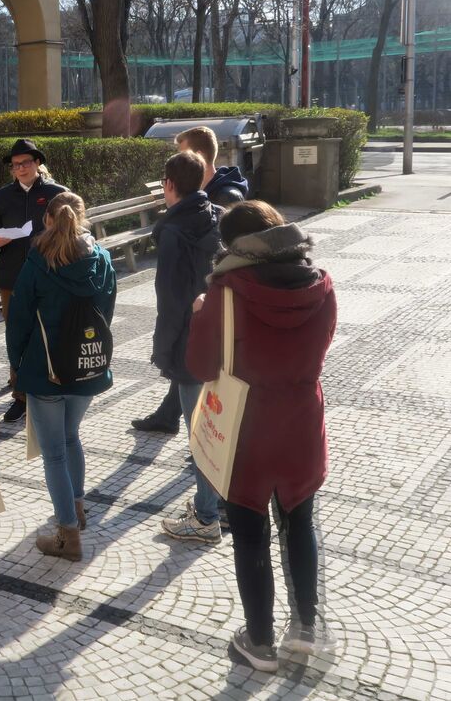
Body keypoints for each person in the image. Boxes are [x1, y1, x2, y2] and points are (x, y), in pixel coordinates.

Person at [186, 201, 336, 672]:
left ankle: (260, 641)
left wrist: (199, 315)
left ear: (234, 245)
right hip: (301, 420)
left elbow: (201, 366)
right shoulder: (321, 285)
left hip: (246, 427)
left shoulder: (226, 293)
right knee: (300, 520)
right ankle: (306, 629)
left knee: (250, 534)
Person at [6, 192, 116, 561]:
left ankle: (68, 535)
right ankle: (77, 509)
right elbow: (106, 311)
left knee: (53, 452)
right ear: (82, 218)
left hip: (46, 370)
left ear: (47, 220)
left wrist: (16, 364)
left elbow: (18, 319)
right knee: (71, 437)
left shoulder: (39, 260)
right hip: (87, 365)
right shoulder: (101, 259)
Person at [150, 152, 227, 545]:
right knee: (218, 429)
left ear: (168, 185)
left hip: (188, 344)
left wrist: (163, 351)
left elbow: (170, 301)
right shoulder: (218, 215)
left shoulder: (172, 231)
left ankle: (206, 516)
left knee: (200, 436)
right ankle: (216, 503)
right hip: (221, 336)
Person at [0, 138, 69, 422]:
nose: (20, 168)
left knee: (47, 332)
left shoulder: (57, 194)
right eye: (15, 165)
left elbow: (71, 231)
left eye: (26, 163)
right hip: (12, 278)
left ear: (37, 163)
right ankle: (20, 394)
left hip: (48, 276)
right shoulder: (2, 196)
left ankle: (50, 385)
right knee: (16, 335)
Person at [175, 126, 249, 206]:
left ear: (200, 157)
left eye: (184, 157)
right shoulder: (192, 193)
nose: (179, 162)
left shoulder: (227, 196)